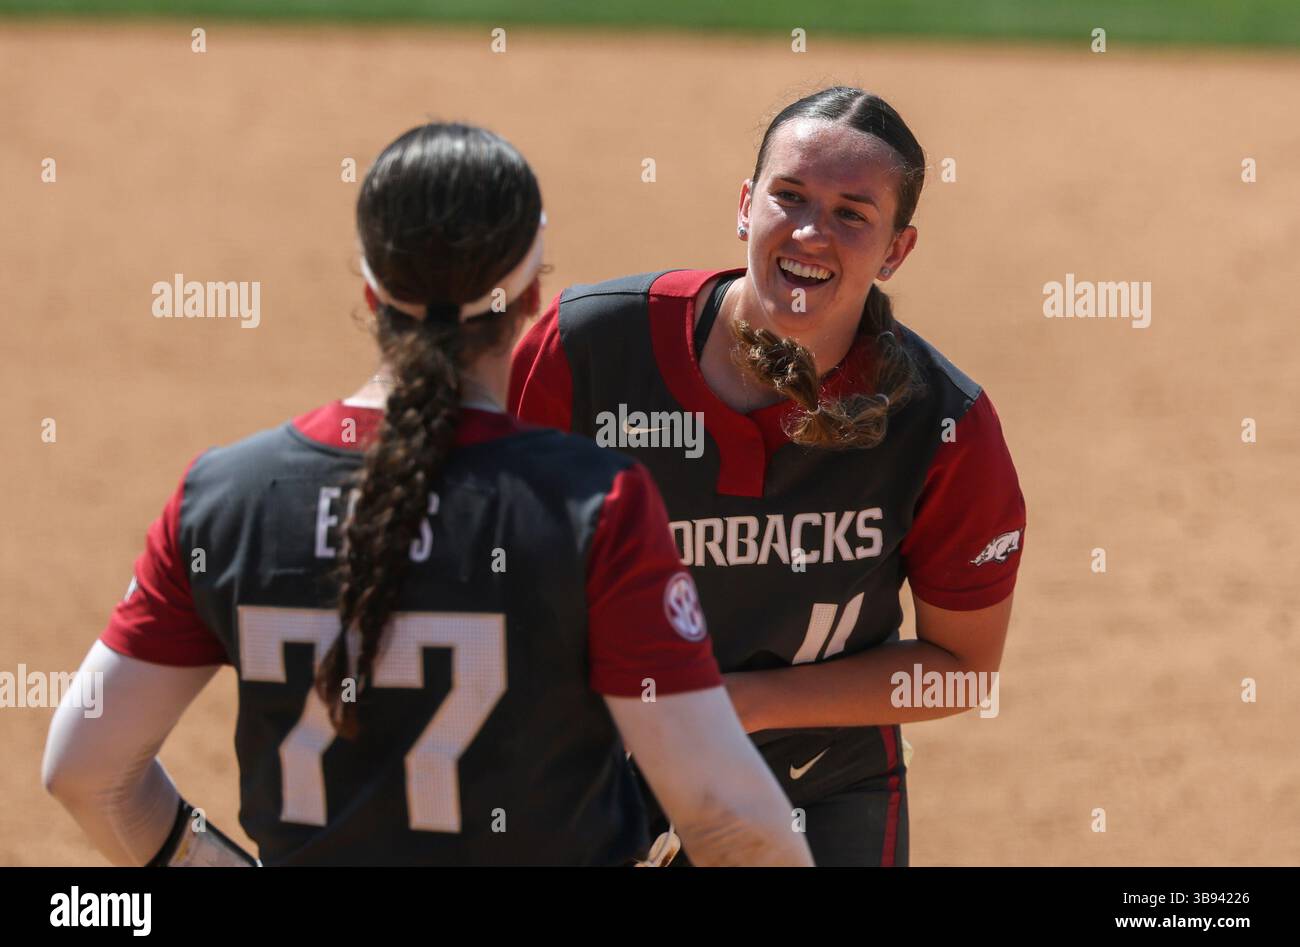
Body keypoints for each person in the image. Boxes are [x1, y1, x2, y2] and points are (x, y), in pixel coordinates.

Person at [42, 123, 812, 868]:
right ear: (531, 294)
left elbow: (84, 771)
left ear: (372, 291)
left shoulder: (225, 498)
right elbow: (730, 821)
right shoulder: (593, 506)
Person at [509, 87, 1027, 866]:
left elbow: (960, 672)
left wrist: (734, 707)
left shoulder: (941, 422)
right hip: (599, 751)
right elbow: (493, 570)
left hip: (820, 778)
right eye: (790, 196)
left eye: (854, 213)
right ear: (746, 206)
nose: (812, 231)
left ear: (897, 250)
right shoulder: (590, 349)